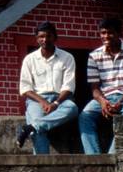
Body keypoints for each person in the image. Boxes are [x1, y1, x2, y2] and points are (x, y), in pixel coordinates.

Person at [79, 17, 123, 154]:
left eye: (110, 33)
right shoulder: (94, 55)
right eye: (103, 33)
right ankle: (94, 158)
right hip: (105, 97)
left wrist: (121, 102)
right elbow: (95, 88)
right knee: (84, 116)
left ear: (119, 33)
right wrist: (103, 102)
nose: (106, 36)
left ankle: (112, 156)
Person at [15, 21, 79, 153]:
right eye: (41, 36)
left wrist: (55, 103)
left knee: (72, 108)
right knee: (37, 131)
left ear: (55, 37)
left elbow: (69, 86)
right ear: (37, 38)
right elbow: (25, 88)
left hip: (60, 99)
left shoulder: (67, 57)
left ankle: (32, 126)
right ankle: (42, 165)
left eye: (48, 36)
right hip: (36, 101)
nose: (45, 39)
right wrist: (43, 101)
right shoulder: (29, 59)